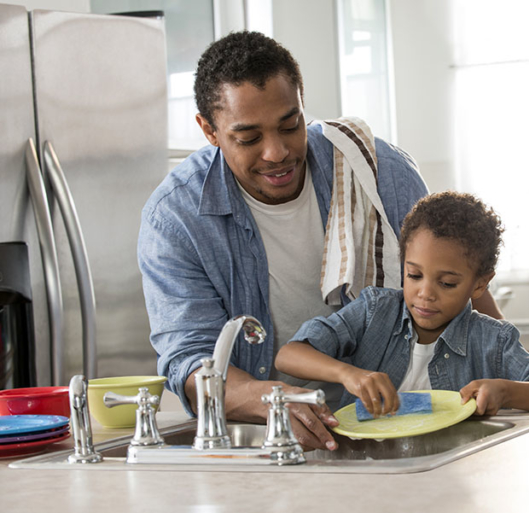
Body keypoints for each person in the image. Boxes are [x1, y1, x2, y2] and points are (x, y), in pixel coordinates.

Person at [137, 32, 502, 451]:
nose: (276, 152)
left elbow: (463, 277)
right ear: (209, 130)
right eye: (249, 138)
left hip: (396, 423)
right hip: (269, 437)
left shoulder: (379, 174)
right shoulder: (176, 218)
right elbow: (191, 362)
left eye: (290, 126)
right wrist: (277, 401)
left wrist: (515, 377)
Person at [275, 192, 529, 417]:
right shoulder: (374, 312)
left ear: (479, 283)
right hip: (367, 466)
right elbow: (289, 356)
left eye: (446, 283)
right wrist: (348, 374)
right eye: (414, 275)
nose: (425, 293)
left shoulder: (492, 341)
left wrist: (505, 389)